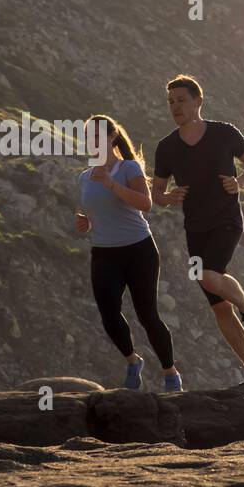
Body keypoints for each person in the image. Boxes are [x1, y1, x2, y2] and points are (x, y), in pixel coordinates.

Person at [150, 75, 244, 387]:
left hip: (227, 220)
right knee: (218, 306)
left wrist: (239, 183)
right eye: (171, 102)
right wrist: (168, 198)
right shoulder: (166, 148)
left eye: (181, 100)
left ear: (198, 101)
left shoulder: (223, 133)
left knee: (207, 275)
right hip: (195, 229)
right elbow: (156, 194)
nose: (175, 107)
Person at [75, 115, 182, 392]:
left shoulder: (128, 168)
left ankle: (170, 373)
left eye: (97, 136)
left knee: (147, 315)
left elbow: (145, 204)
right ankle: (133, 361)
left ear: (111, 137)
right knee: (108, 314)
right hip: (103, 252)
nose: (92, 142)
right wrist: (87, 222)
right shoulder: (85, 176)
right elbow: (99, 210)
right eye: (88, 137)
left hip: (138, 249)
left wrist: (111, 184)